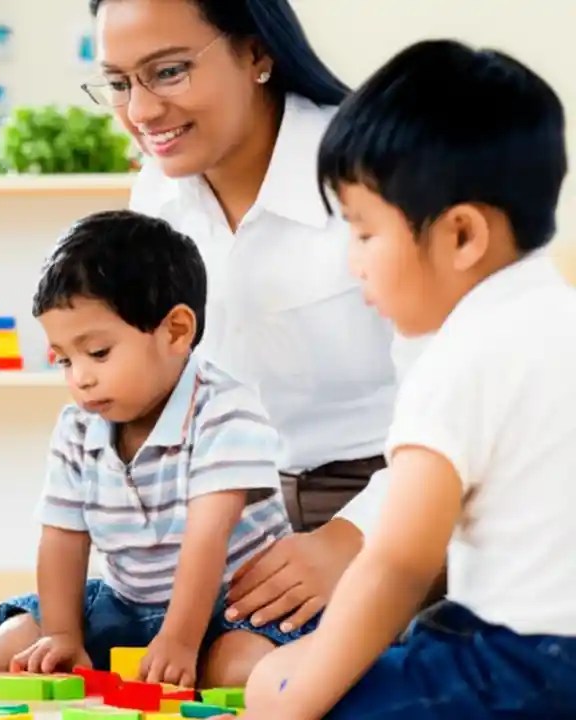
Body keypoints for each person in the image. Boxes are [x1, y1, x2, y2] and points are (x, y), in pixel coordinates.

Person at [82, 0, 425, 684]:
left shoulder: (381, 175)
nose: (142, 111)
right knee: (42, 635)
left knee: (248, 669)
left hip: (393, 507)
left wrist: (352, 540)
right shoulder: (157, 193)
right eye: (119, 83)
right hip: (233, 515)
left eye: (169, 72)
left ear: (256, 53)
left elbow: (467, 408)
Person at [237, 39, 576, 719]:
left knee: (269, 682)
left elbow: (398, 563)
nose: (353, 261)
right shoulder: (558, 314)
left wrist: (298, 695)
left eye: (363, 233)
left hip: (516, 668)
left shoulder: (455, 359)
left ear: (460, 237)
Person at [0, 210, 304, 687]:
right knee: (10, 646)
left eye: (97, 353)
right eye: (64, 360)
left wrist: (179, 641)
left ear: (176, 331)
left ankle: (192, 656)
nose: (81, 378)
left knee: (241, 672)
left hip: (230, 607)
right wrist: (63, 633)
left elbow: (207, 538)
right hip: (128, 604)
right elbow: (63, 538)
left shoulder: (225, 411)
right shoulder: (78, 429)